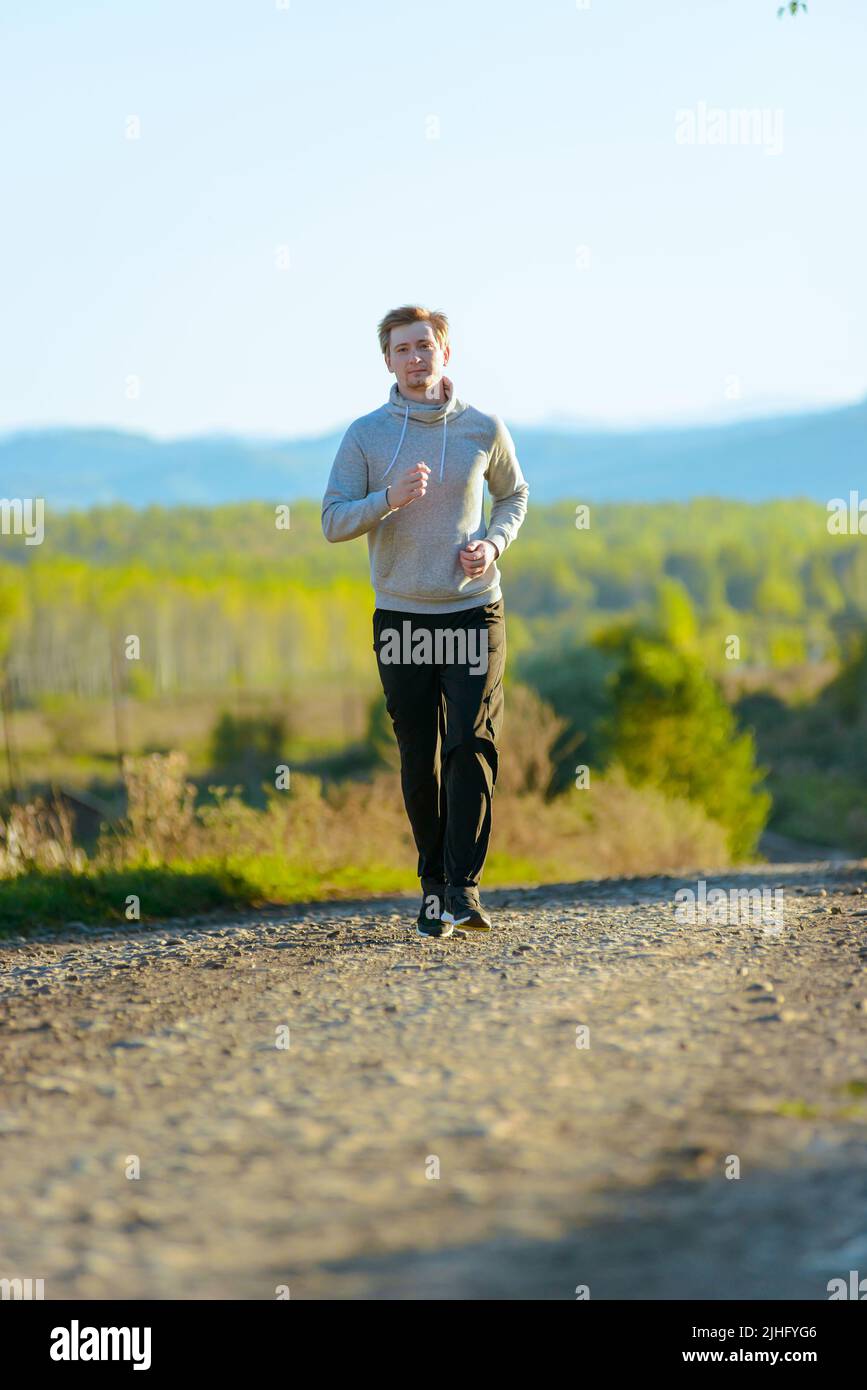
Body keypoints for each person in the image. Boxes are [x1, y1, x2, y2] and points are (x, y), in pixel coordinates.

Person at [321, 305, 529, 937]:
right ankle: (433, 888)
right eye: (401, 349)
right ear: (387, 360)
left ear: (445, 352)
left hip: (472, 612)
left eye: (424, 346)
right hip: (403, 619)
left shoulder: (482, 427)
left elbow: (513, 495)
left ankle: (463, 888)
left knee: (470, 741)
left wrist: (492, 543)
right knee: (421, 755)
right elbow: (332, 521)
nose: (414, 358)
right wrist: (389, 499)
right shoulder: (365, 435)